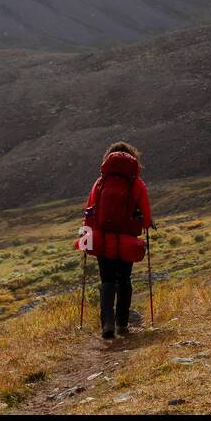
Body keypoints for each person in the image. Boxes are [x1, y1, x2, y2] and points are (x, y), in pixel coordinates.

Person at [82, 142, 153, 339]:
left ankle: (107, 324)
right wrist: (145, 222)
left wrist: (85, 235)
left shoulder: (100, 182)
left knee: (107, 280)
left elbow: (89, 211)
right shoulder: (136, 184)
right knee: (124, 279)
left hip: (103, 239)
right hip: (126, 240)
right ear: (132, 160)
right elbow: (146, 218)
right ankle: (122, 323)